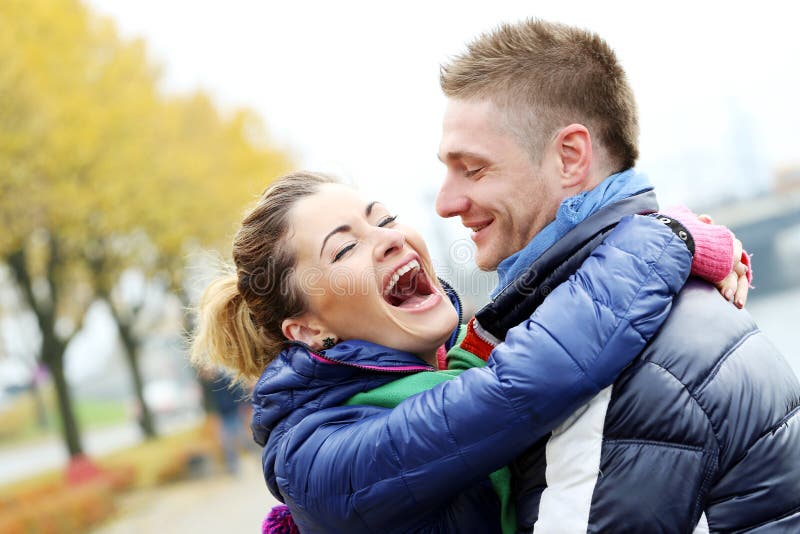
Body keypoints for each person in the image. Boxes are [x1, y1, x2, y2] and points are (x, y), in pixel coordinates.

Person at [191, 171, 740, 533]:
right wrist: (668, 237)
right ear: (307, 330)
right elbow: (523, 385)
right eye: (346, 248)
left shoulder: (462, 362)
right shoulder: (318, 458)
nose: (389, 238)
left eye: (383, 219)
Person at [435, 19, 800, 532]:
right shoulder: (637, 317)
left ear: (569, 157)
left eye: (472, 169)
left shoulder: (608, 370)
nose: (445, 202)